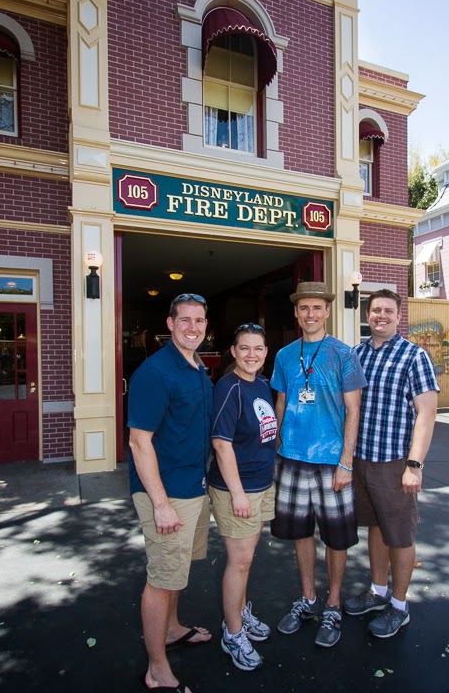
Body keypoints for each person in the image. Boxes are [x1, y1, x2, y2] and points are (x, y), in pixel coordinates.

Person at [271, 282, 367, 648]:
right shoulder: (283, 355)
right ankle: (308, 598)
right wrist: (276, 451)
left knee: (336, 537)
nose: (310, 314)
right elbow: (280, 404)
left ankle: (332, 603)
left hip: (331, 461)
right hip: (292, 458)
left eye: (316, 308)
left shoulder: (343, 354)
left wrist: (346, 462)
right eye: (304, 308)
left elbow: (354, 410)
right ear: (296, 313)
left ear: (327, 311)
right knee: (300, 533)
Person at [128, 293, 214, 693]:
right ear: (170, 323)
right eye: (185, 320)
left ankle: (172, 629)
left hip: (193, 488)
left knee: (178, 569)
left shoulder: (196, 368)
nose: (193, 327)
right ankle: (157, 669)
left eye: (199, 320)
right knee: (162, 578)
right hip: (166, 494)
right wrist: (160, 505)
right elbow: (138, 442)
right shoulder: (155, 372)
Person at [345, 289, 439, 638]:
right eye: (375, 311)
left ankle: (399, 606)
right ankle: (377, 591)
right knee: (375, 527)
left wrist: (414, 465)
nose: (380, 316)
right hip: (362, 460)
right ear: (367, 315)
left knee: (399, 536)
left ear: (399, 316)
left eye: (387, 311)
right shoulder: (357, 354)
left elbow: (427, 413)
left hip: (395, 462)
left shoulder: (415, 356)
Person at [208, 323, 277, 672]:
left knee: (247, 558)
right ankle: (232, 631)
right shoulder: (229, 387)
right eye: (244, 348)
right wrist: (237, 493)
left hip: (262, 484)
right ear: (233, 352)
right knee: (240, 561)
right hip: (238, 489)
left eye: (259, 348)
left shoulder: (262, 385)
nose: (252, 354)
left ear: (266, 352)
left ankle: (240, 612)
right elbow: (221, 443)